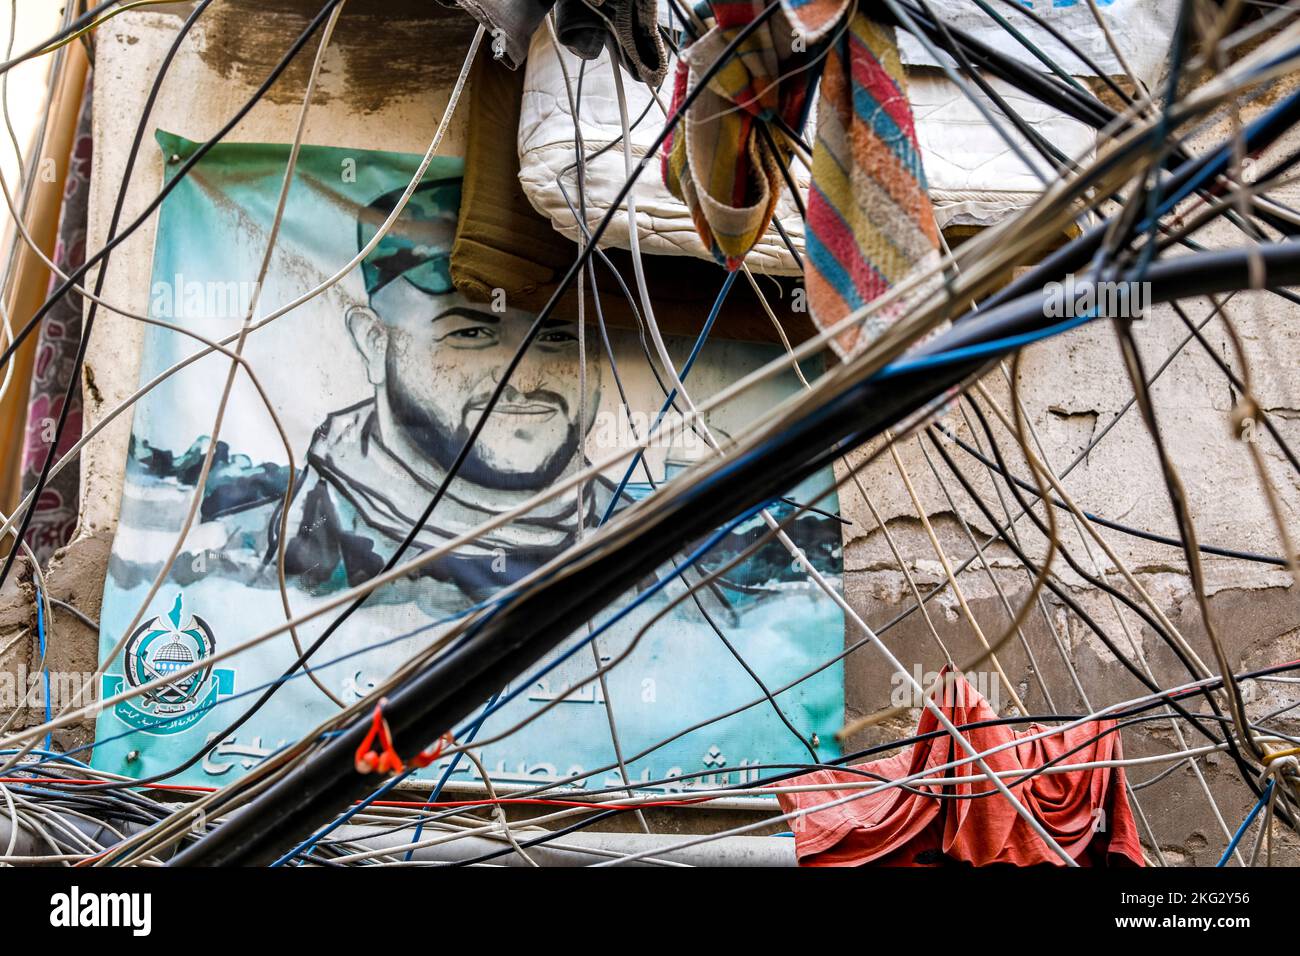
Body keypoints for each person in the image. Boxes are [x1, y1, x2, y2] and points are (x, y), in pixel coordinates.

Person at [268, 177, 613, 605]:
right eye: (469, 333)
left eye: (559, 339)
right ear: (374, 344)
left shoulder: (665, 544)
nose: (523, 381)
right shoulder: (278, 564)